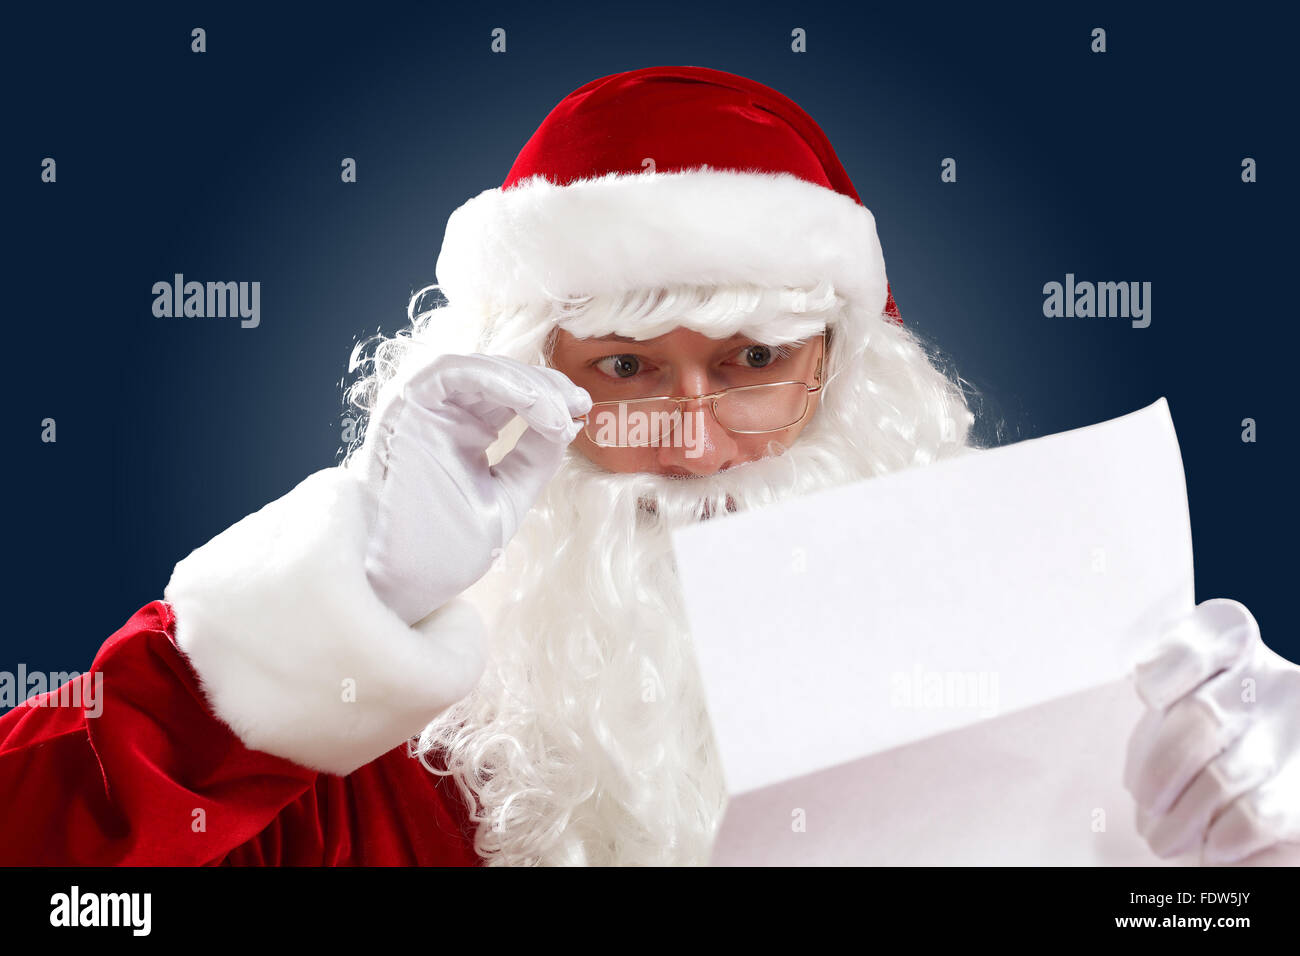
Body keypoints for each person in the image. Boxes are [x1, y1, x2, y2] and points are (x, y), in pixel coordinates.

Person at [1, 66, 1296, 867]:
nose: (690, 438)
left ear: (850, 386)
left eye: (750, 362)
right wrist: (309, 627)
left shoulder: (1058, 707)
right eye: (621, 369)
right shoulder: (355, 776)